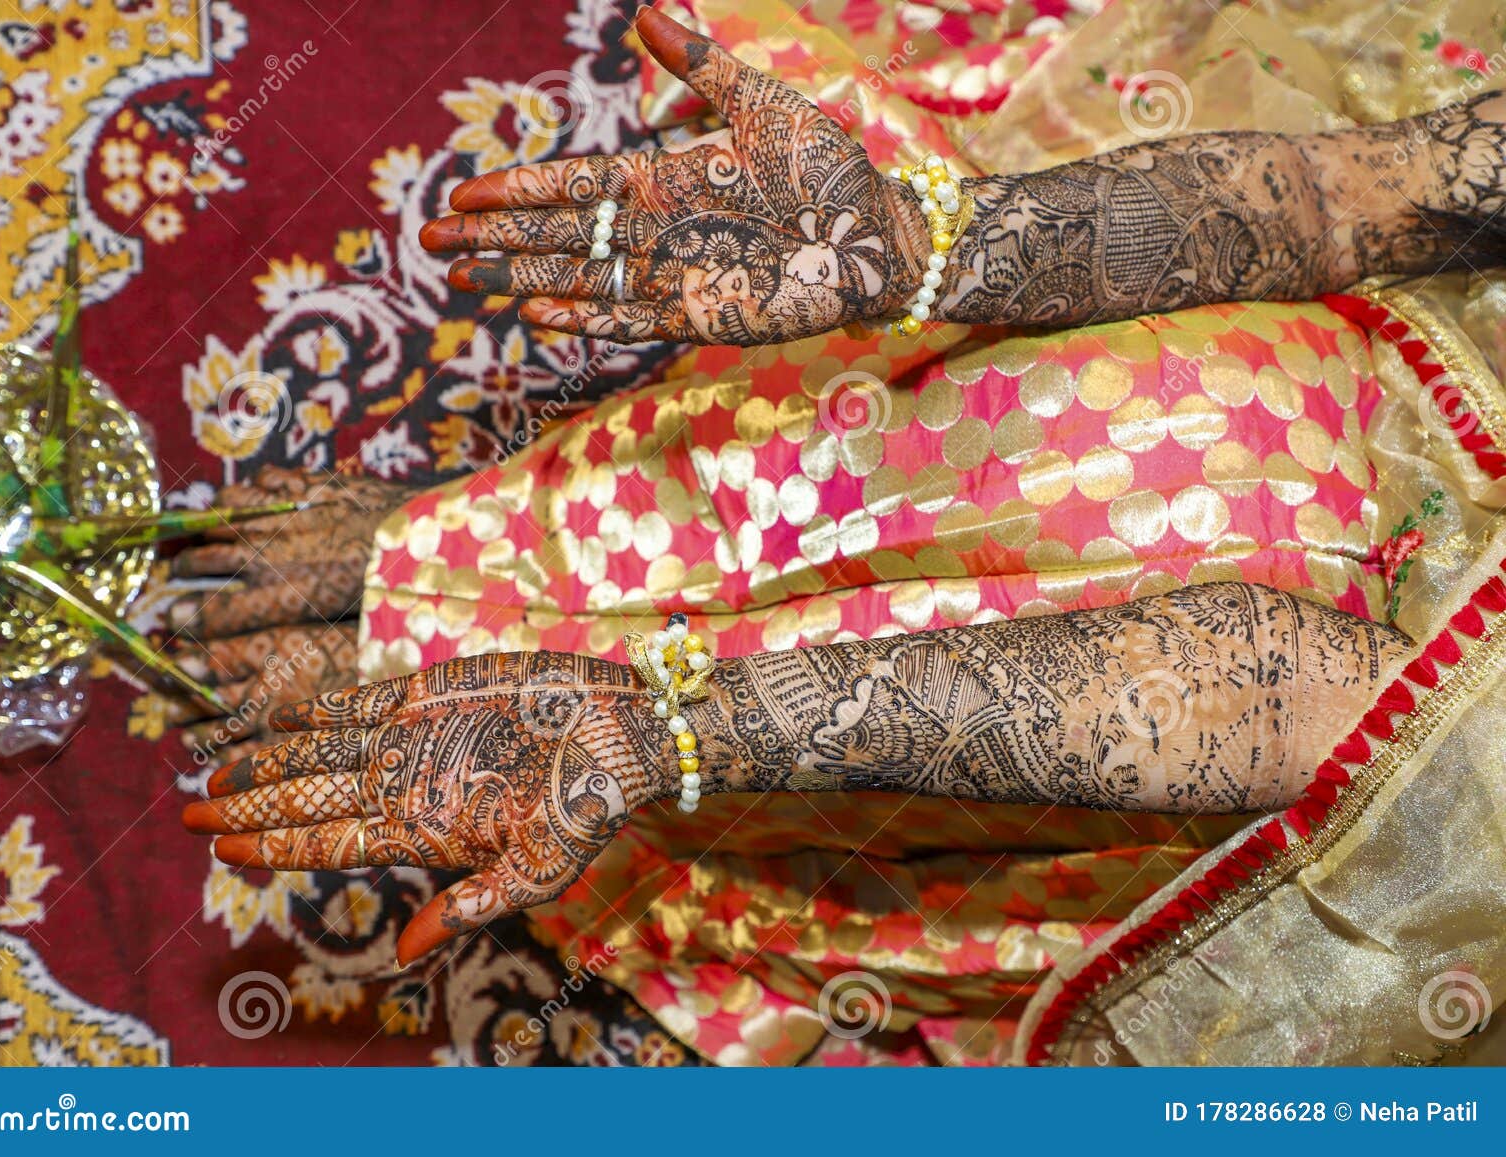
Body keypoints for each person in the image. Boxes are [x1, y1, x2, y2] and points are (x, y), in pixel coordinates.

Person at [175, 3, 1506, 1065]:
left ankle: (614, 714)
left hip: (1391, 773)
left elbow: (1336, 716)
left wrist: (695, 728)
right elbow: (1345, 202)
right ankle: (494, 566)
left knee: (1196, 499)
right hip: (1415, 393)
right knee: (1145, 403)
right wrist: (925, 254)